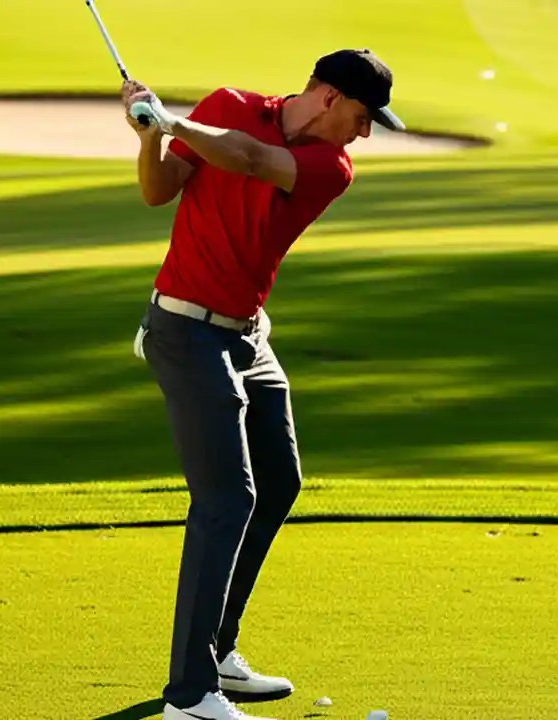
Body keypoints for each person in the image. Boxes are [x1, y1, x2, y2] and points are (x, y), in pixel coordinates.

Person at [121, 49, 403, 720]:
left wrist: (173, 120)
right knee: (225, 500)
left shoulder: (329, 168)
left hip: (246, 336)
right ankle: (190, 696)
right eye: (362, 118)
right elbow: (159, 190)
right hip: (185, 329)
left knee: (278, 481)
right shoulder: (228, 105)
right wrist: (152, 135)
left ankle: (216, 649)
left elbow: (247, 159)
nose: (363, 136)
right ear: (330, 98)